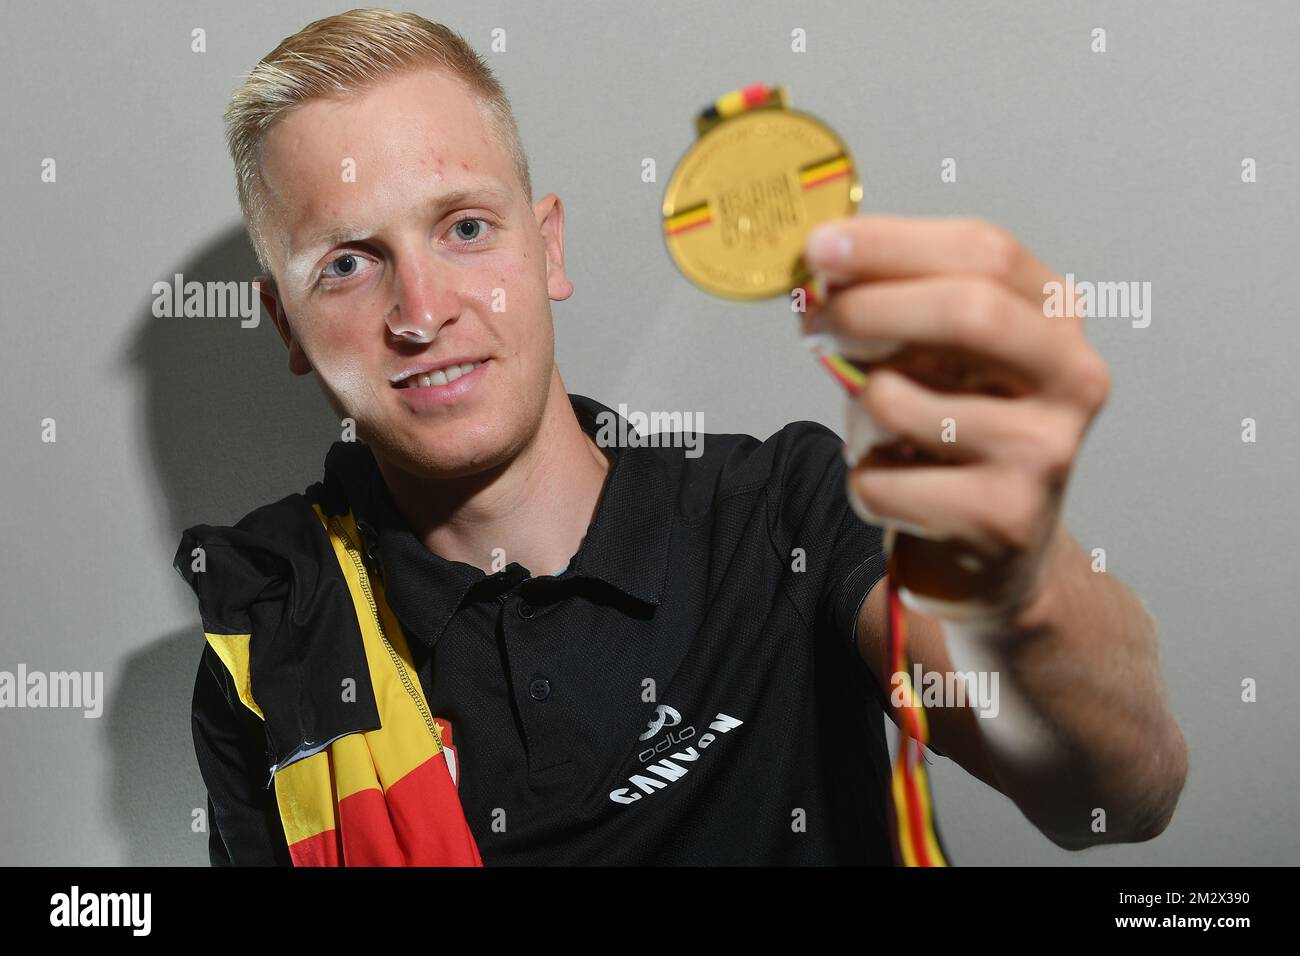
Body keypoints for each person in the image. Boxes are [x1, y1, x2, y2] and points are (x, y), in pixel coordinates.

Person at [176, 8, 1186, 866]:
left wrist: (1023, 581)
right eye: (348, 263)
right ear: (287, 326)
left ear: (549, 245)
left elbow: (1118, 794)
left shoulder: (783, 505)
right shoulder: (271, 630)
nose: (422, 308)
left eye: (465, 228)